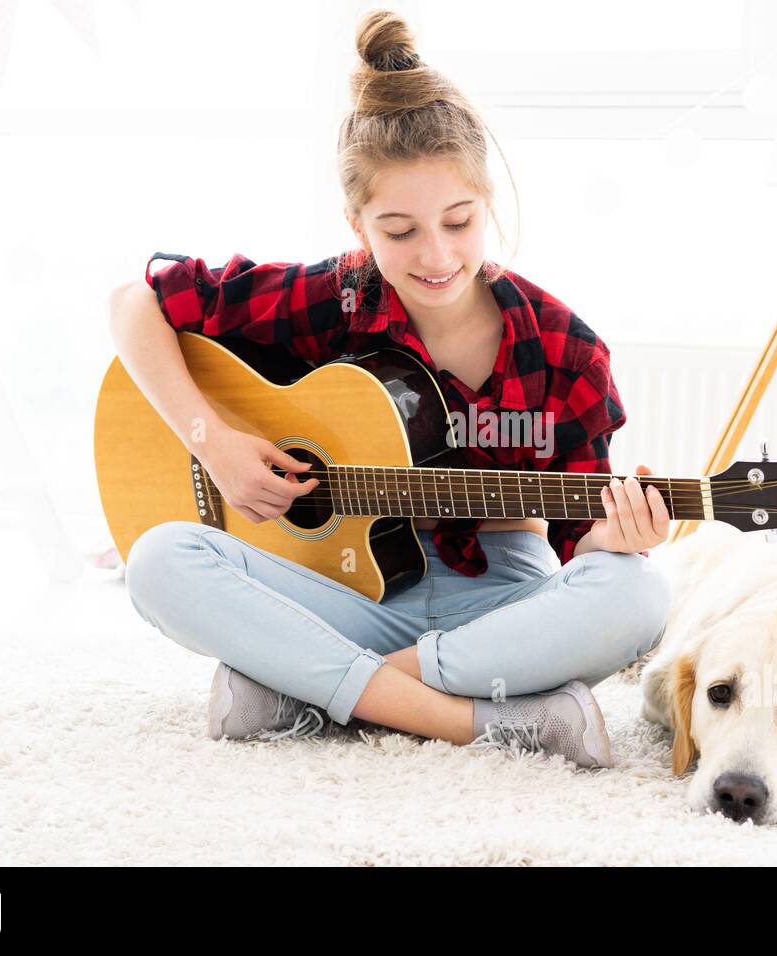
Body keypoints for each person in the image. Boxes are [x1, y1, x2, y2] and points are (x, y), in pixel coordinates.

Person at [107, 9, 671, 770]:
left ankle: (306, 693)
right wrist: (212, 444)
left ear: (488, 203)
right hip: (344, 600)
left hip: (496, 610)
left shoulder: (566, 349)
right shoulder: (336, 296)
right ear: (358, 224)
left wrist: (617, 534)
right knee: (157, 561)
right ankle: (488, 722)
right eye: (400, 231)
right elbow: (136, 303)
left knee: (637, 595)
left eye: (459, 221)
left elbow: (582, 549)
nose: (436, 255)